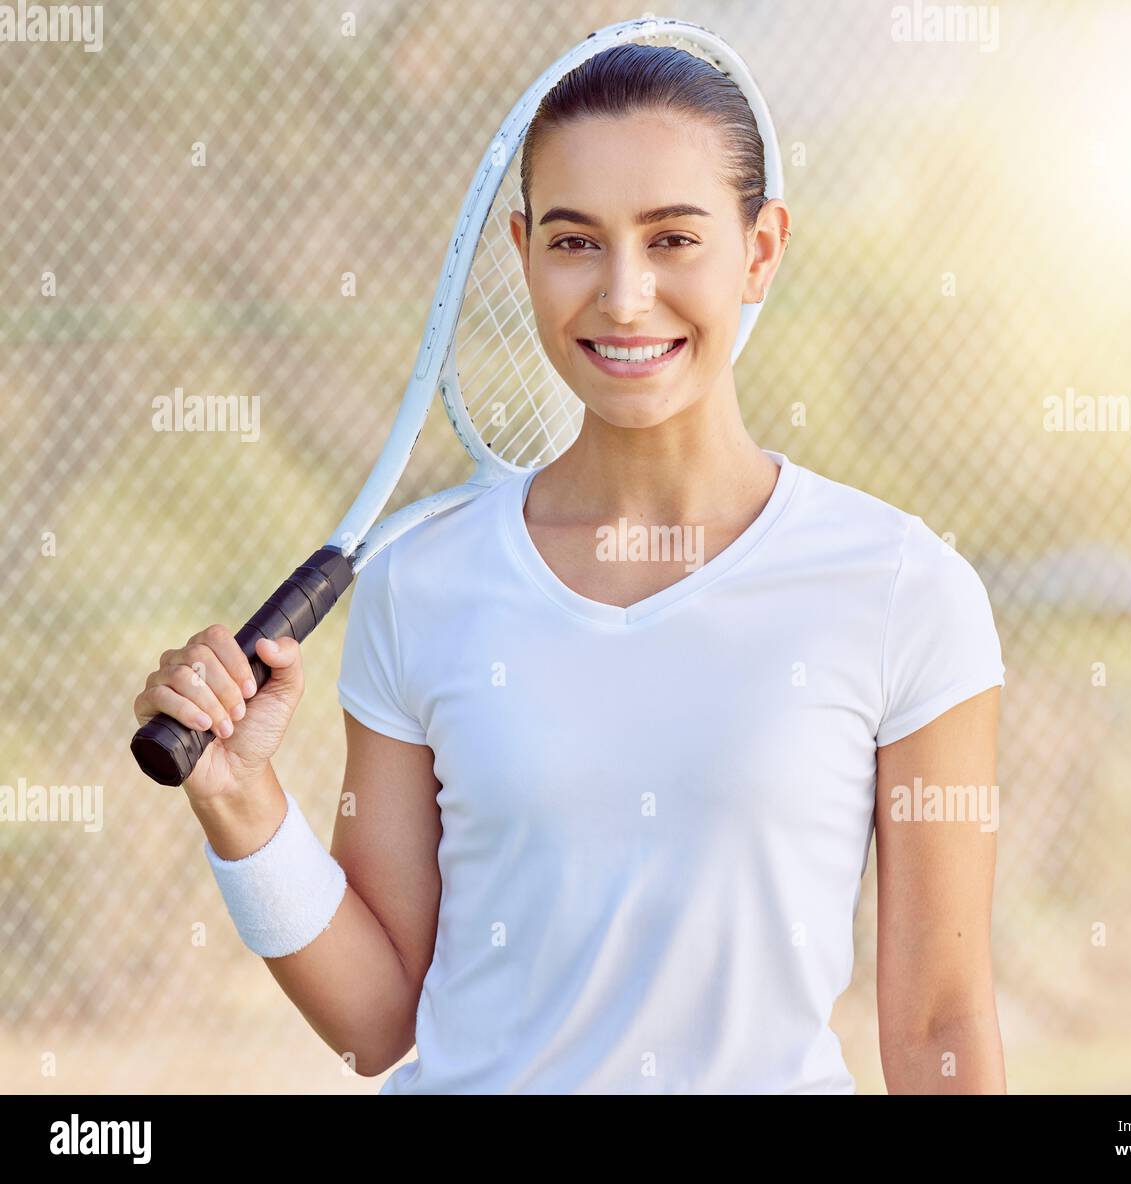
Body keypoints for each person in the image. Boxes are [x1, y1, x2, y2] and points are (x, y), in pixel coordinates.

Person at [132, 42, 1006, 1094]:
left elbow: (938, 1021)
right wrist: (241, 801)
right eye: (575, 241)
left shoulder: (903, 589)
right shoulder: (423, 587)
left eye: (674, 237)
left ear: (761, 249)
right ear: (522, 251)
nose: (625, 296)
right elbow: (373, 1023)